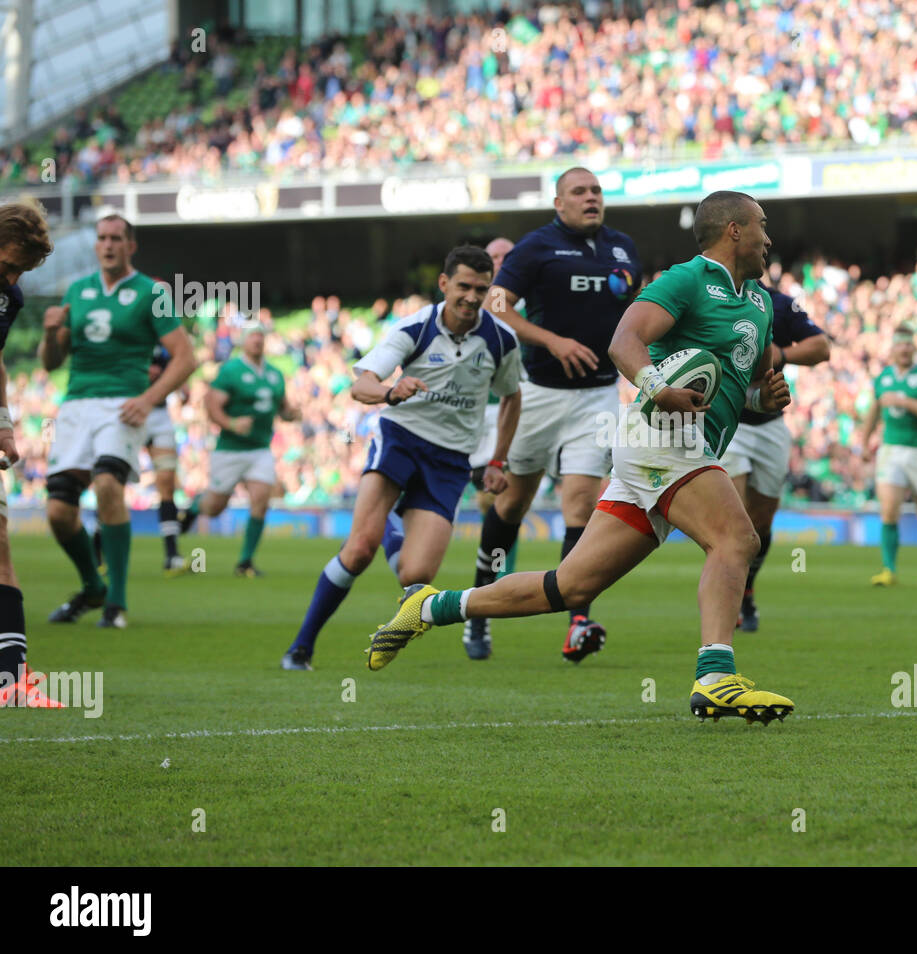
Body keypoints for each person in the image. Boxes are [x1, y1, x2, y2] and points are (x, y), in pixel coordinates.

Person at [364, 191, 795, 726]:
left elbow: (746, 388)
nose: (769, 238)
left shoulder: (758, 303)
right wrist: (658, 387)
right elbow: (624, 341)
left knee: (569, 587)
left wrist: (762, 399)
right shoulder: (685, 279)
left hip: (680, 447)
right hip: (662, 436)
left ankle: (428, 607)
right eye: (762, 225)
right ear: (733, 230)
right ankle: (715, 678)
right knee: (736, 538)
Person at [281, 246, 521, 671]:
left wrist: (499, 460)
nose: (470, 297)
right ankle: (301, 647)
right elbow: (362, 385)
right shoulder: (414, 327)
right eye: (463, 286)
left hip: (450, 461)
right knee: (358, 551)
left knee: (416, 579)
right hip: (400, 440)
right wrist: (392, 392)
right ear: (444, 283)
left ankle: (390, 525)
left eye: (481, 289)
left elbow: (511, 398)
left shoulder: (502, 340)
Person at [465, 168, 642, 663]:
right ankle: (479, 605)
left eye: (597, 191)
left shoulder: (624, 249)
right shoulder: (535, 247)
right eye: (580, 192)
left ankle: (577, 620)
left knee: (581, 506)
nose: (591, 199)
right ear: (558, 202)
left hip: (599, 395)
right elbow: (498, 305)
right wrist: (552, 341)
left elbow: (634, 317)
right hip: (537, 392)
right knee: (511, 507)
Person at [41, 215, 196, 628]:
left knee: (108, 483)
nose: (108, 245)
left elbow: (185, 357)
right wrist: (49, 335)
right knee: (58, 511)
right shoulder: (77, 290)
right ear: (96, 246)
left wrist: (148, 399)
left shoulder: (152, 292)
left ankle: (117, 604)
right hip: (75, 404)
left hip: (123, 403)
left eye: (116, 238)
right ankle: (93, 587)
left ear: (131, 246)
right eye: (102, 238)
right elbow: (53, 362)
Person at [718, 282, 828, 630]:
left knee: (761, 521)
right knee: (735, 518)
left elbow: (821, 347)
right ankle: (728, 599)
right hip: (728, 420)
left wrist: (781, 355)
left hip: (770, 423)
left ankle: (747, 588)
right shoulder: (709, 293)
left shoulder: (778, 303)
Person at [0, 200, 63, 706]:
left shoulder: (10, 295)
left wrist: (4, 427)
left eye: (21, 270)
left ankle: (13, 679)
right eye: (8, 265)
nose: (13, 277)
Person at [177, 317, 298, 576]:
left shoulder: (275, 375)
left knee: (261, 500)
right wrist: (231, 423)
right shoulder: (230, 370)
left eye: (260, 335)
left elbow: (283, 409)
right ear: (243, 341)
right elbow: (212, 406)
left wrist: (292, 414)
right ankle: (194, 508)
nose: (257, 339)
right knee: (214, 507)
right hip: (230, 449)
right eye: (252, 335)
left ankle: (245, 562)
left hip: (259, 449)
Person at [860, 323, 917, 588]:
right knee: (888, 510)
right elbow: (874, 410)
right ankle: (889, 569)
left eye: (909, 343)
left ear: (914, 347)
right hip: (891, 449)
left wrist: (904, 401)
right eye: (900, 343)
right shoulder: (882, 378)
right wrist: (864, 441)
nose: (904, 348)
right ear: (893, 348)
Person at [93, 342, 189, 575]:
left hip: (158, 415)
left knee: (166, 481)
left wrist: (177, 383)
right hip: (127, 411)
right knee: (112, 483)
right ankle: (97, 549)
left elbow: (183, 370)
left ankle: (172, 555)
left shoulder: (168, 339)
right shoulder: (125, 330)